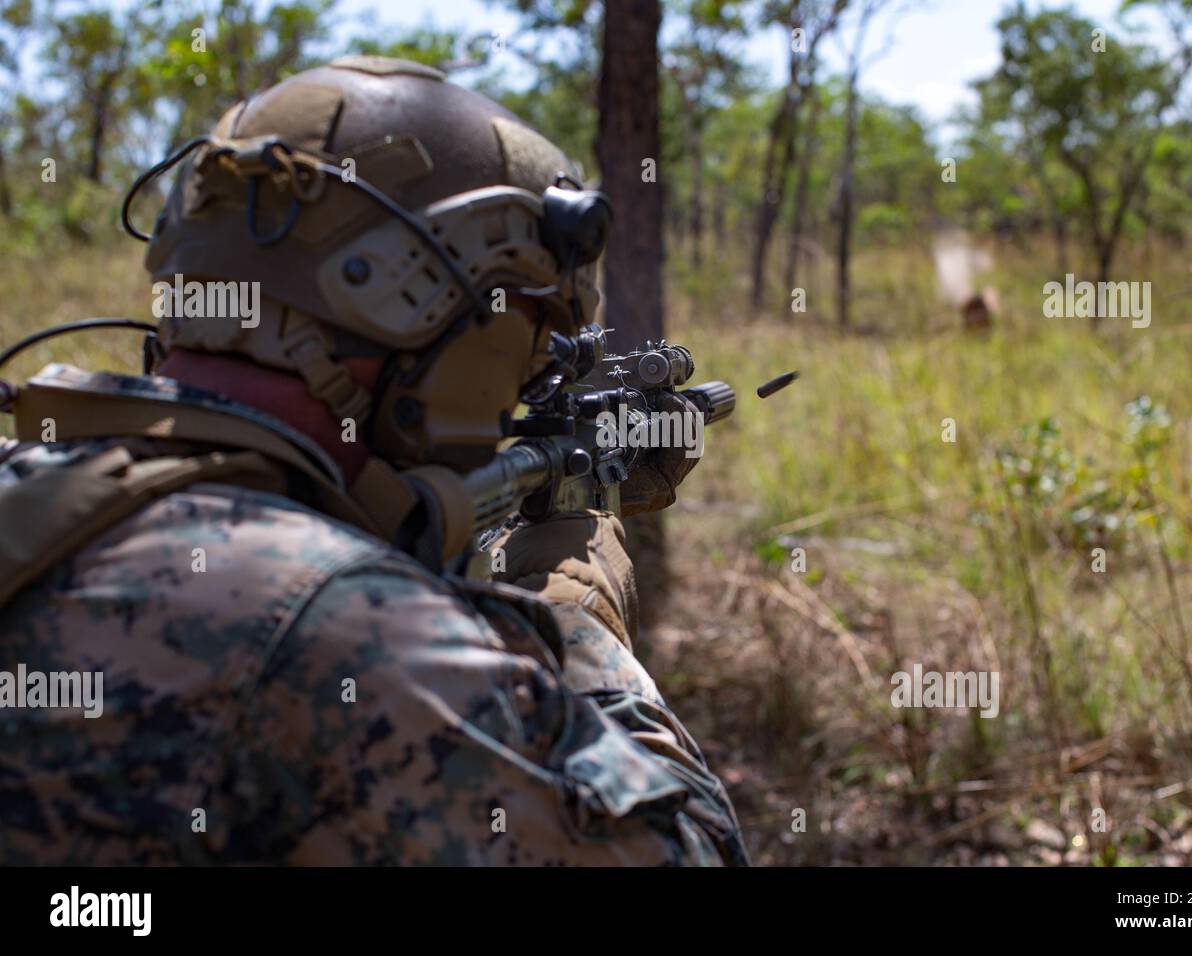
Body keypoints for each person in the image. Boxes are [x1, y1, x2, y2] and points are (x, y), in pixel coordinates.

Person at [0, 55, 748, 866]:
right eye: (532, 334)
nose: (526, 378)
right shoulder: (338, 630)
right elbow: (687, 850)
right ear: (408, 295)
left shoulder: (45, 499)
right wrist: (572, 612)